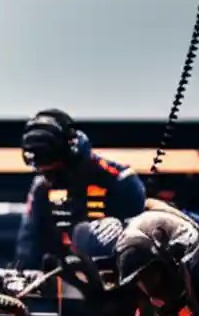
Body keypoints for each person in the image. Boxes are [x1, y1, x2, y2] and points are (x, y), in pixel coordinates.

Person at [14, 109, 147, 269]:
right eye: (42, 171)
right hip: (62, 280)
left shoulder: (119, 179)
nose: (48, 178)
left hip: (117, 277)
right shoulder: (41, 188)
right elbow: (29, 243)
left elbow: (143, 241)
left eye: (52, 172)